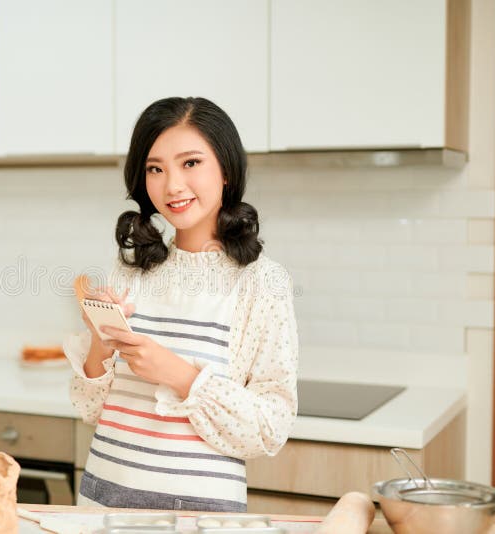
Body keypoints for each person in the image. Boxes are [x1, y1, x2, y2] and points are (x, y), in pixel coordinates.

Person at [62, 96, 298, 512]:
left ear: (226, 170)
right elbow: (91, 407)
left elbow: (269, 428)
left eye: (190, 163)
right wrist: (102, 342)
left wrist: (180, 376)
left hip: (200, 517)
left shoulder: (262, 282)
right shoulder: (132, 269)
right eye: (156, 168)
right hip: (102, 505)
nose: (172, 185)